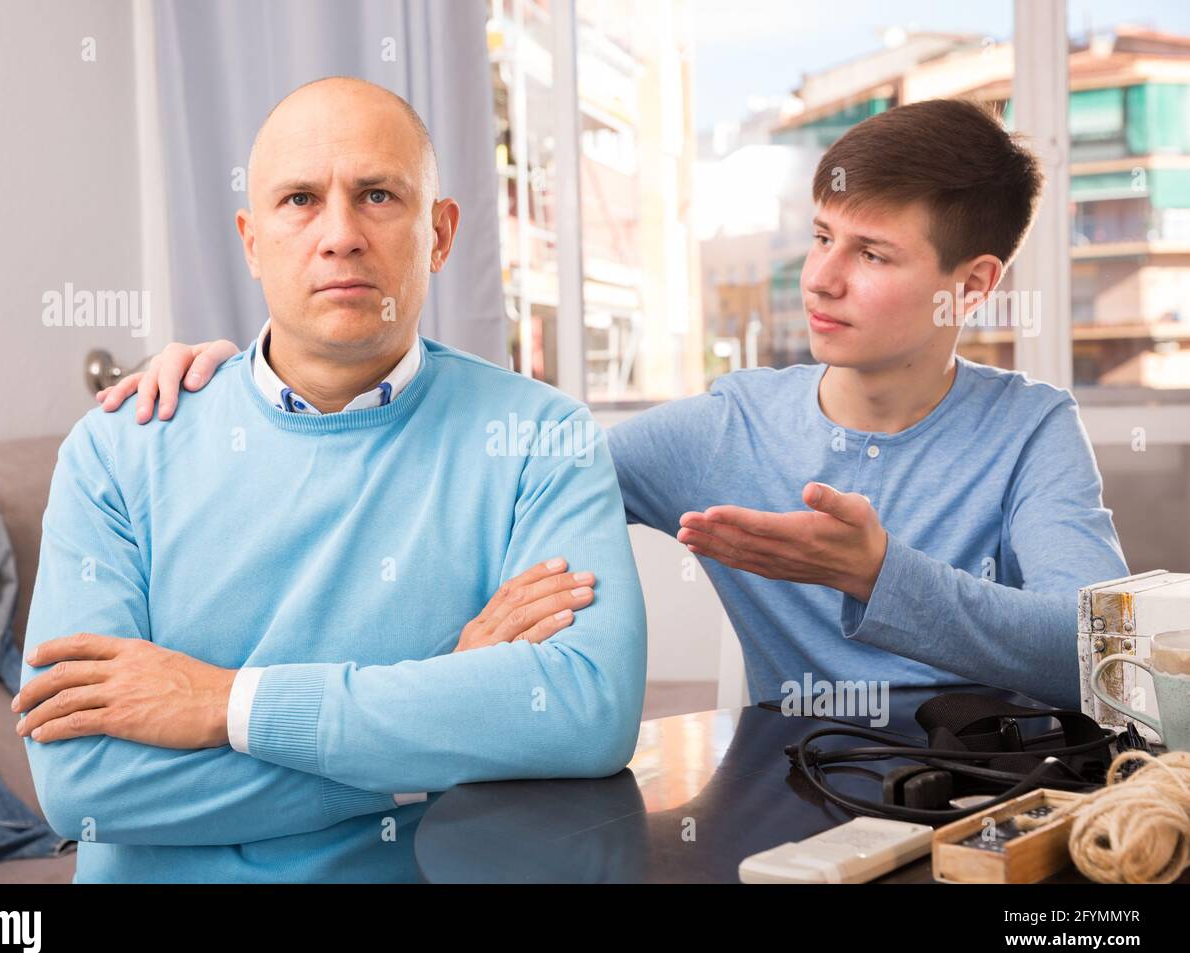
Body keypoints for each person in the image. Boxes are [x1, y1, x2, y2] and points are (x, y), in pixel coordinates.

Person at [104, 97, 1128, 711]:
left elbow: (1100, 655)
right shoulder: (726, 429)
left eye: (870, 254)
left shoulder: (1029, 428)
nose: (820, 279)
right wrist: (266, 374)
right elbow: (495, 458)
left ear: (973, 284)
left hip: (995, 810)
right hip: (799, 801)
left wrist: (881, 575)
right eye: (820, 237)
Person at [15, 76, 647, 883]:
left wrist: (226, 703)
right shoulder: (119, 444)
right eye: (301, 200)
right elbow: (84, 786)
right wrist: (438, 720)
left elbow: (585, 712)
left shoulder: (541, 438)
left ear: (440, 233)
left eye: (378, 194)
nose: (340, 234)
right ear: (251, 239)